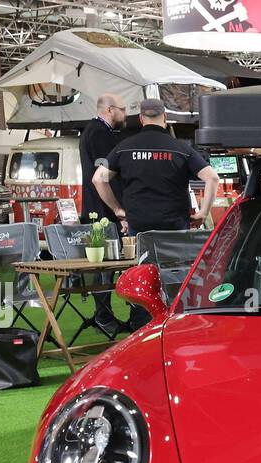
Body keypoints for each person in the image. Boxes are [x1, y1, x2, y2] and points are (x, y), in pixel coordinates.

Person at [92, 98, 219, 329]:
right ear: (165, 118)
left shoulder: (125, 147)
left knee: (143, 277)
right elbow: (212, 178)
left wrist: (118, 210)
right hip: (175, 229)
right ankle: (179, 322)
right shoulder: (181, 148)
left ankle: (143, 327)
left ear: (141, 119)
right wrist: (203, 212)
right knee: (177, 278)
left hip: (140, 229)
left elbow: (98, 178)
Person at [78, 93, 127, 335]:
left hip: (98, 210)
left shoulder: (92, 131)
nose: (125, 114)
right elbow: (105, 176)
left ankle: (104, 315)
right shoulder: (99, 133)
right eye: (122, 109)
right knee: (104, 267)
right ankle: (103, 316)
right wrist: (120, 208)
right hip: (103, 211)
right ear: (109, 110)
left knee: (104, 266)